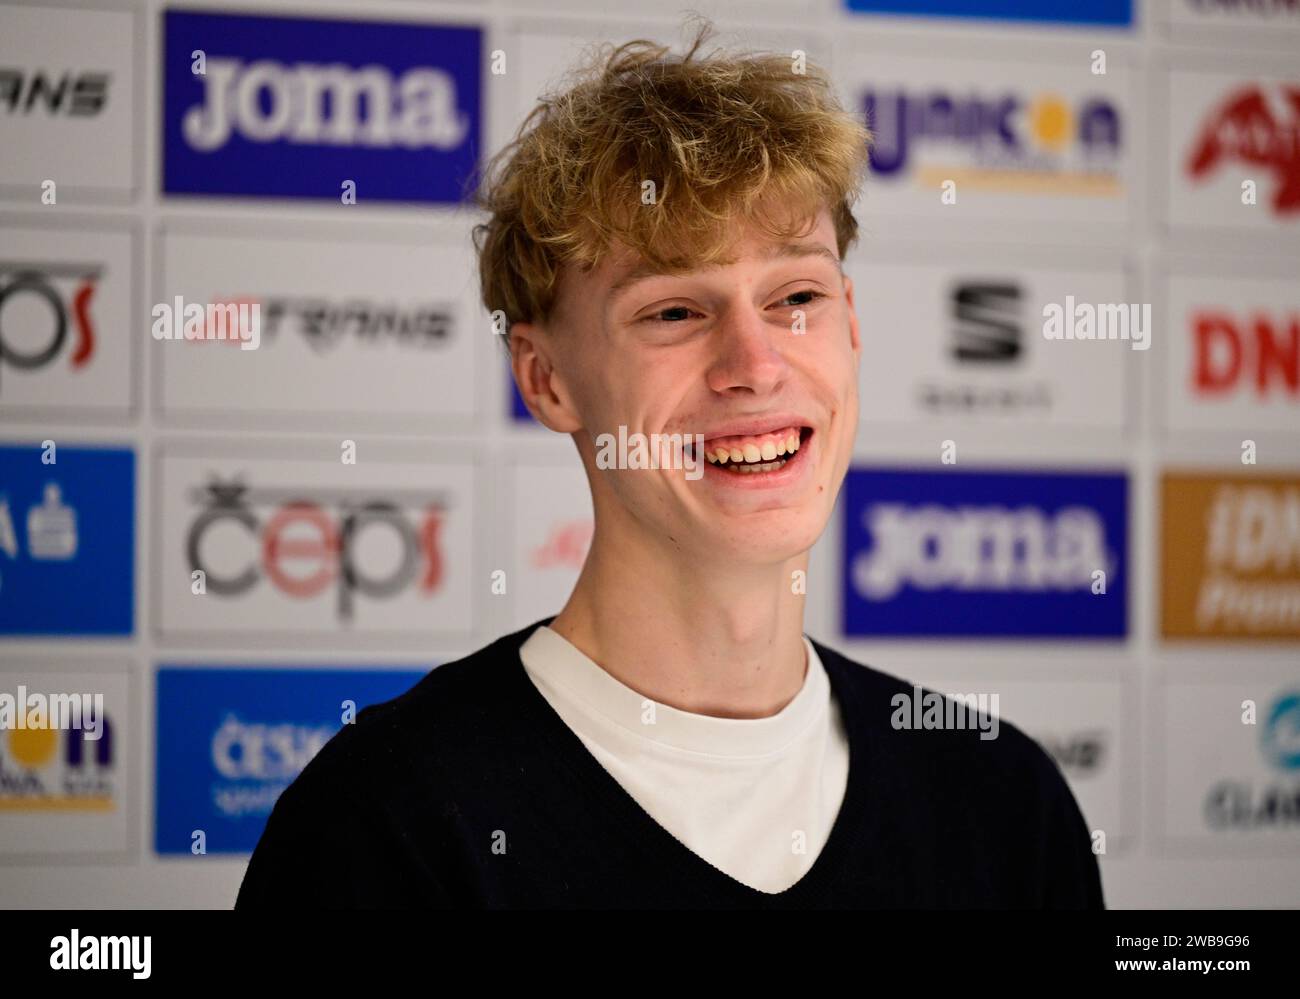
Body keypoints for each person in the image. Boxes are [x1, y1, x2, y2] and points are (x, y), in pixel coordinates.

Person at [236, 21, 1104, 909]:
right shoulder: (385, 827)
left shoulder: (1003, 801)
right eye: (673, 312)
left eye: (796, 297)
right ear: (545, 379)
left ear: (850, 320)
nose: (756, 365)